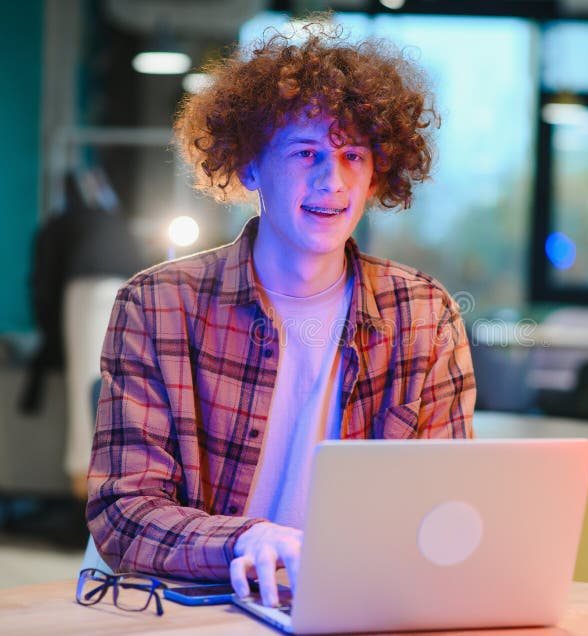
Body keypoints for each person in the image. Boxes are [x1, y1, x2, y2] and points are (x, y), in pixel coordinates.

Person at [86, 18, 476, 608]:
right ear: (248, 166)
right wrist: (245, 539)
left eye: (353, 154)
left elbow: (450, 510)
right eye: (306, 151)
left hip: (355, 607)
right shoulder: (158, 305)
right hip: (202, 606)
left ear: (377, 175)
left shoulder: (425, 315)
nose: (333, 180)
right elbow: (124, 511)